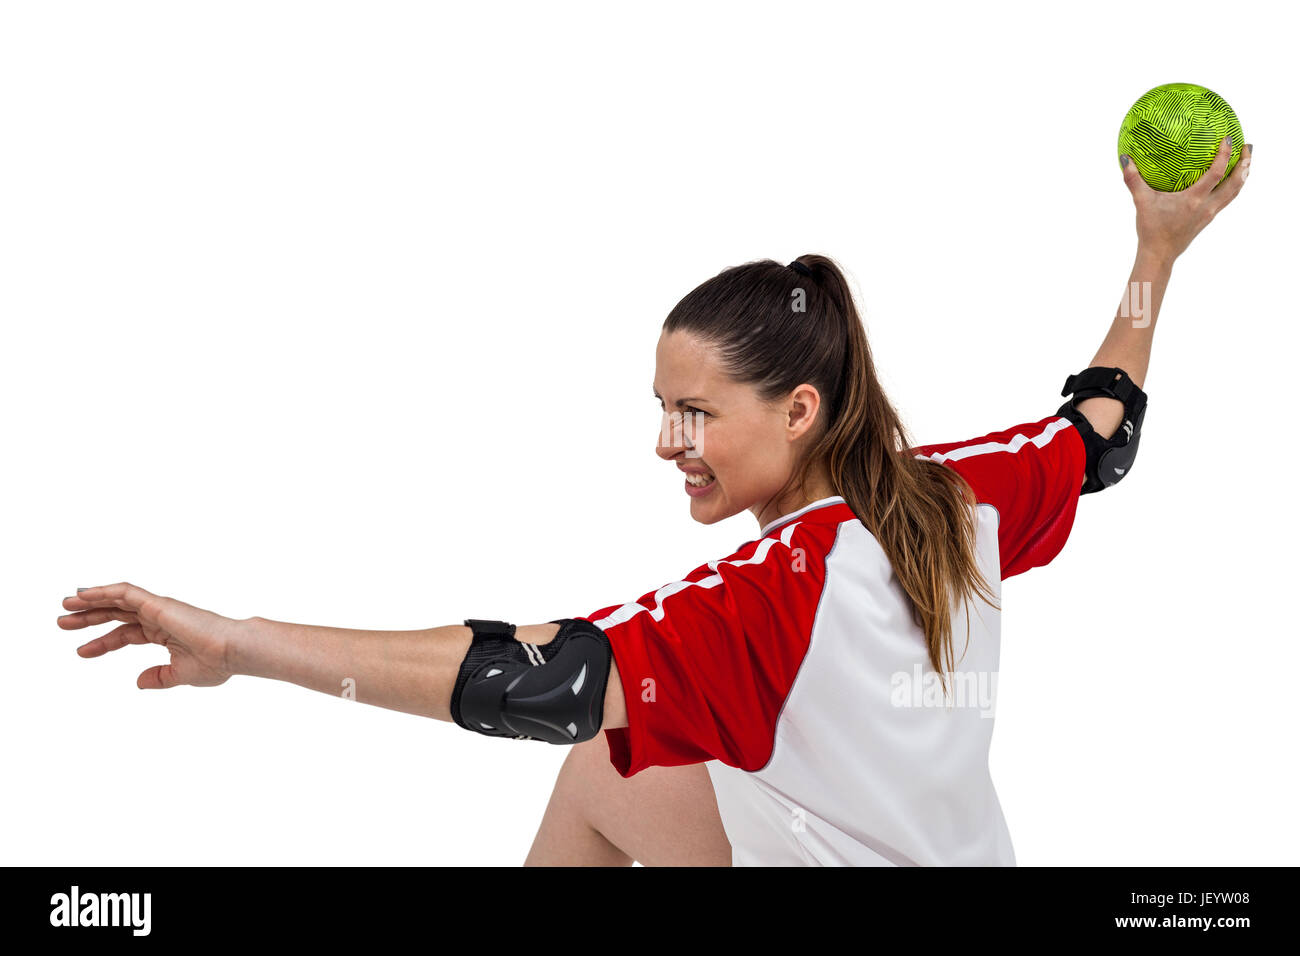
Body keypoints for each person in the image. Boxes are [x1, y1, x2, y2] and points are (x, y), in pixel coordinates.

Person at [57, 137, 1250, 866]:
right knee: (609, 771)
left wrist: (242, 643)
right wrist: (1158, 252)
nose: (667, 442)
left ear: (795, 410)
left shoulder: (772, 594)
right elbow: (1099, 431)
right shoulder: (955, 492)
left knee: (589, 751)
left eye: (694, 414)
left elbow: (535, 678)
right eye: (663, 406)